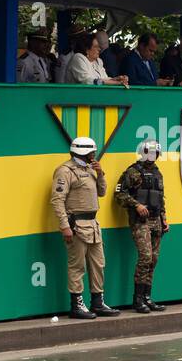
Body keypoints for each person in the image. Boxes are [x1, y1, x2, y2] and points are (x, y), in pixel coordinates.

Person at [51, 137, 118, 319]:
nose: (94, 155)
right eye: (91, 152)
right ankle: (77, 305)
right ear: (82, 151)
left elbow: (102, 193)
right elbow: (57, 200)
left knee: (98, 264)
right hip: (77, 225)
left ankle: (97, 302)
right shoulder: (65, 171)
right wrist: (65, 226)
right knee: (77, 266)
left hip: (93, 224)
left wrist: (101, 174)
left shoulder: (90, 169)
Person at [114, 139, 169, 313]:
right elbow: (119, 194)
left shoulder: (158, 173)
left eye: (156, 153)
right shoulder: (132, 172)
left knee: (153, 259)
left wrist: (164, 218)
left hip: (157, 220)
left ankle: (147, 297)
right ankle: (137, 300)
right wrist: (136, 205)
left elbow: (160, 197)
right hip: (140, 222)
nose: (154, 157)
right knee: (145, 257)